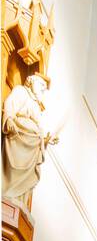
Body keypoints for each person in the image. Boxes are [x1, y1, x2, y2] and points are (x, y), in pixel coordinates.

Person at [2, 71, 58, 205]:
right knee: (14, 170)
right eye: (41, 85)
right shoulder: (21, 92)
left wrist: (45, 140)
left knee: (28, 175)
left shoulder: (36, 105)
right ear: (31, 81)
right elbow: (10, 104)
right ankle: (6, 192)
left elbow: (38, 127)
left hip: (32, 145)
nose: (42, 89)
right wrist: (9, 119)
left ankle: (18, 199)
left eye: (44, 88)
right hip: (19, 140)